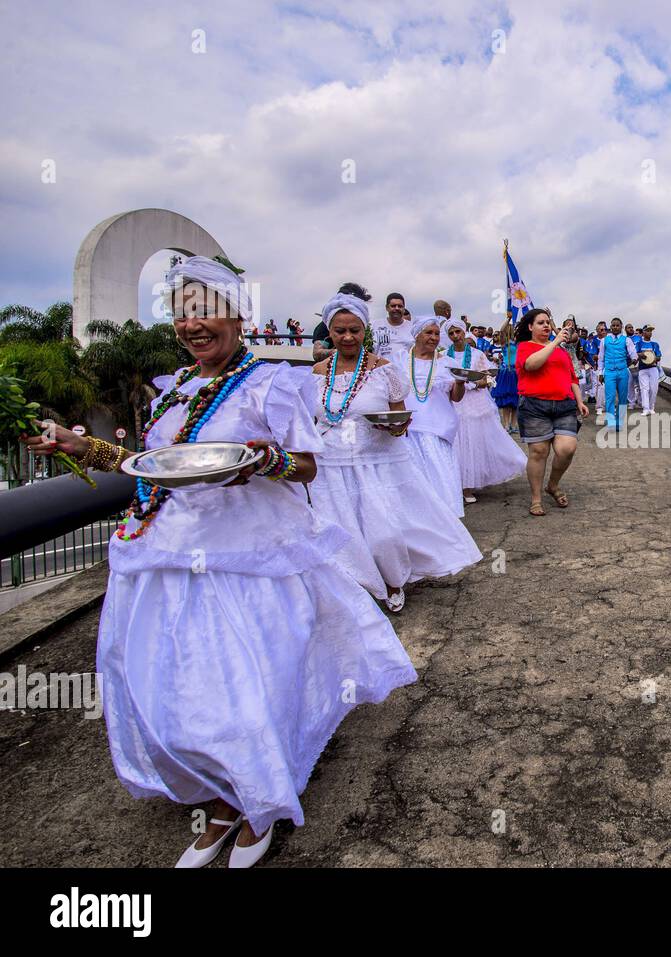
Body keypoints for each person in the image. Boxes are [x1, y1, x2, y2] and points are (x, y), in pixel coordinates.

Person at [21, 256, 416, 868]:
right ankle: (219, 799)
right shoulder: (174, 390)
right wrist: (77, 446)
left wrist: (266, 463)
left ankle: (255, 802)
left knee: (243, 684)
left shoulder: (273, 384)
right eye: (183, 315)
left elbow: (306, 465)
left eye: (207, 313)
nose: (193, 325)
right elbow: (148, 467)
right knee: (174, 683)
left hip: (246, 557)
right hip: (165, 554)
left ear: (239, 316)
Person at [310, 287, 481, 612]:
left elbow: (400, 417)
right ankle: (357, 588)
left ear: (365, 331)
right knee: (342, 532)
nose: (347, 337)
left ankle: (392, 579)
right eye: (340, 330)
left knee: (383, 532)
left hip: (378, 460)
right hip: (331, 463)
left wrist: (394, 426)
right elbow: (311, 417)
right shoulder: (318, 373)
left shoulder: (384, 368)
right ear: (329, 331)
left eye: (354, 330)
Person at [442, 316, 526, 503]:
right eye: (451, 333)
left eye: (458, 332)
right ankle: (455, 485)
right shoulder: (443, 356)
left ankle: (468, 487)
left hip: (474, 404)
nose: (456, 336)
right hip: (453, 402)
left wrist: (473, 383)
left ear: (464, 332)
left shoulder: (477, 354)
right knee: (455, 445)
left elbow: (488, 378)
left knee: (472, 444)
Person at [515, 307, 588, 516]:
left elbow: (572, 378)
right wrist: (555, 342)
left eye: (548, 322)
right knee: (539, 452)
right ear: (530, 327)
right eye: (541, 322)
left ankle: (552, 485)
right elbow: (531, 365)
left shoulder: (561, 351)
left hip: (564, 405)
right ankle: (536, 498)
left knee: (567, 449)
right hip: (534, 407)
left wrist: (580, 401)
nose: (546, 325)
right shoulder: (525, 347)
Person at [405, 315, 466, 517]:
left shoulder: (447, 362)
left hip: (438, 430)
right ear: (416, 335)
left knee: (441, 478)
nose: (434, 337)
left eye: (437, 333)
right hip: (408, 431)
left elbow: (456, 398)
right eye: (429, 333)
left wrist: (460, 382)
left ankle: (445, 521)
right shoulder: (399, 359)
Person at [598, 317, 637, 431]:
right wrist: (601, 373)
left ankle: (619, 423)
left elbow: (633, 354)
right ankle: (611, 422)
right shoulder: (604, 340)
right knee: (609, 397)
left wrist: (633, 359)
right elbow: (601, 358)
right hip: (609, 372)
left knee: (623, 398)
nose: (615, 327)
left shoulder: (626, 340)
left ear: (621, 327)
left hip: (623, 372)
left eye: (617, 325)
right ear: (610, 327)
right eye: (613, 325)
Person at [490, 319, 521, 434]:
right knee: (506, 400)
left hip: (516, 372)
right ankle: (506, 424)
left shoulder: (518, 342)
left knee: (515, 400)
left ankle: (514, 424)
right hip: (506, 372)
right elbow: (502, 330)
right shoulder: (505, 342)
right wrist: (508, 319)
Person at [636, 325, 662, 414]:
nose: (649, 332)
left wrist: (654, 358)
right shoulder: (639, 344)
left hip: (653, 368)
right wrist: (641, 355)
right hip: (642, 369)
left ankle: (651, 407)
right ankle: (645, 408)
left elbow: (659, 357)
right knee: (644, 388)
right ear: (643, 332)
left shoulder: (655, 344)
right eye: (647, 330)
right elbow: (635, 354)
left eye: (651, 331)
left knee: (653, 389)